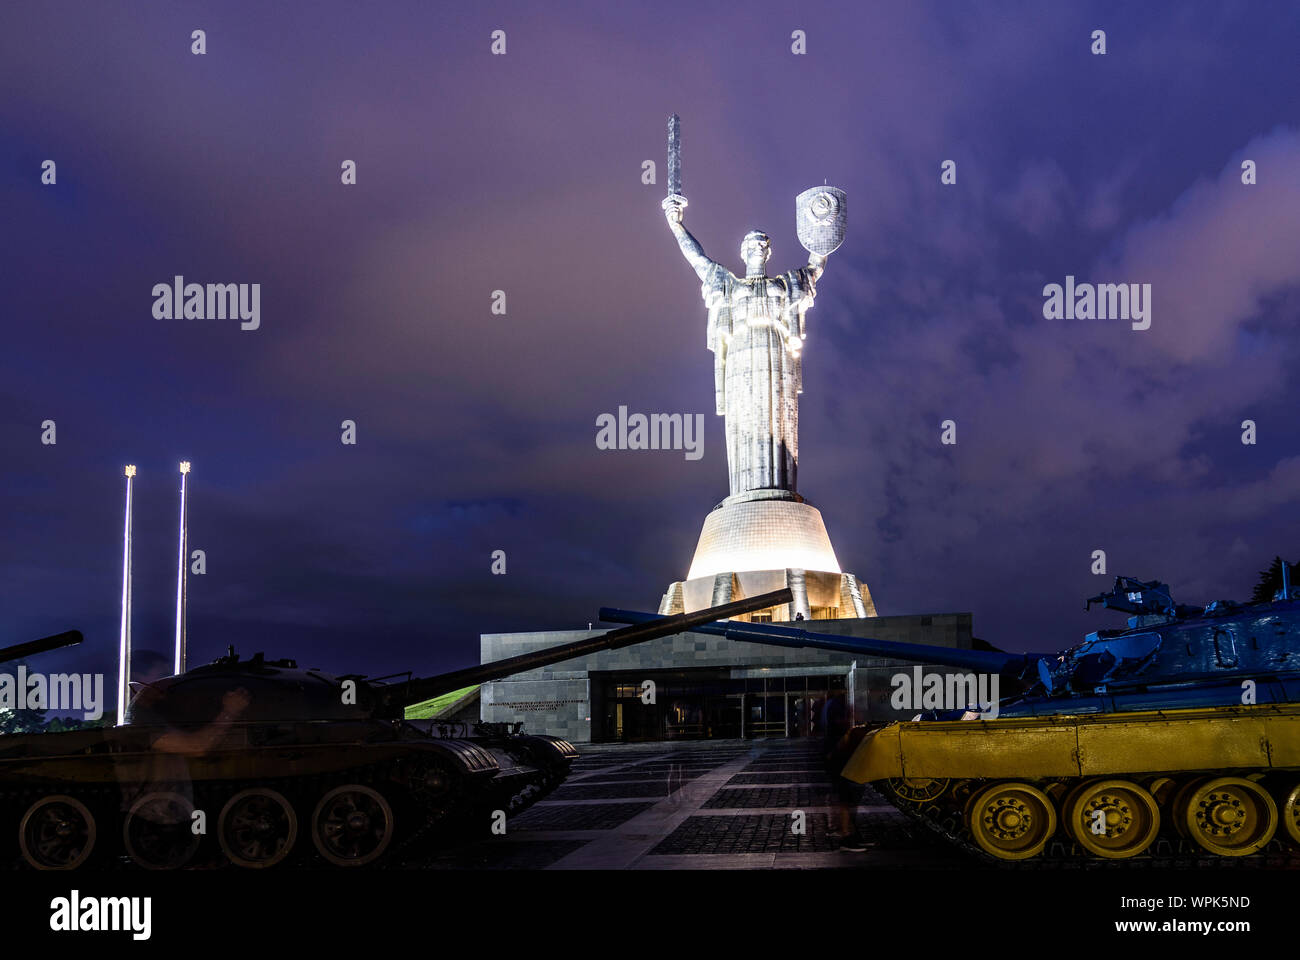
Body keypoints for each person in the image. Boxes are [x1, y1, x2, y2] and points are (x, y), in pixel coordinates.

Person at [820, 691, 868, 852]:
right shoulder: (836, 709)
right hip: (838, 761)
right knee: (846, 800)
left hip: (838, 760)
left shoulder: (833, 706)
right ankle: (846, 837)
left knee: (848, 800)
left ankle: (850, 835)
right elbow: (838, 733)